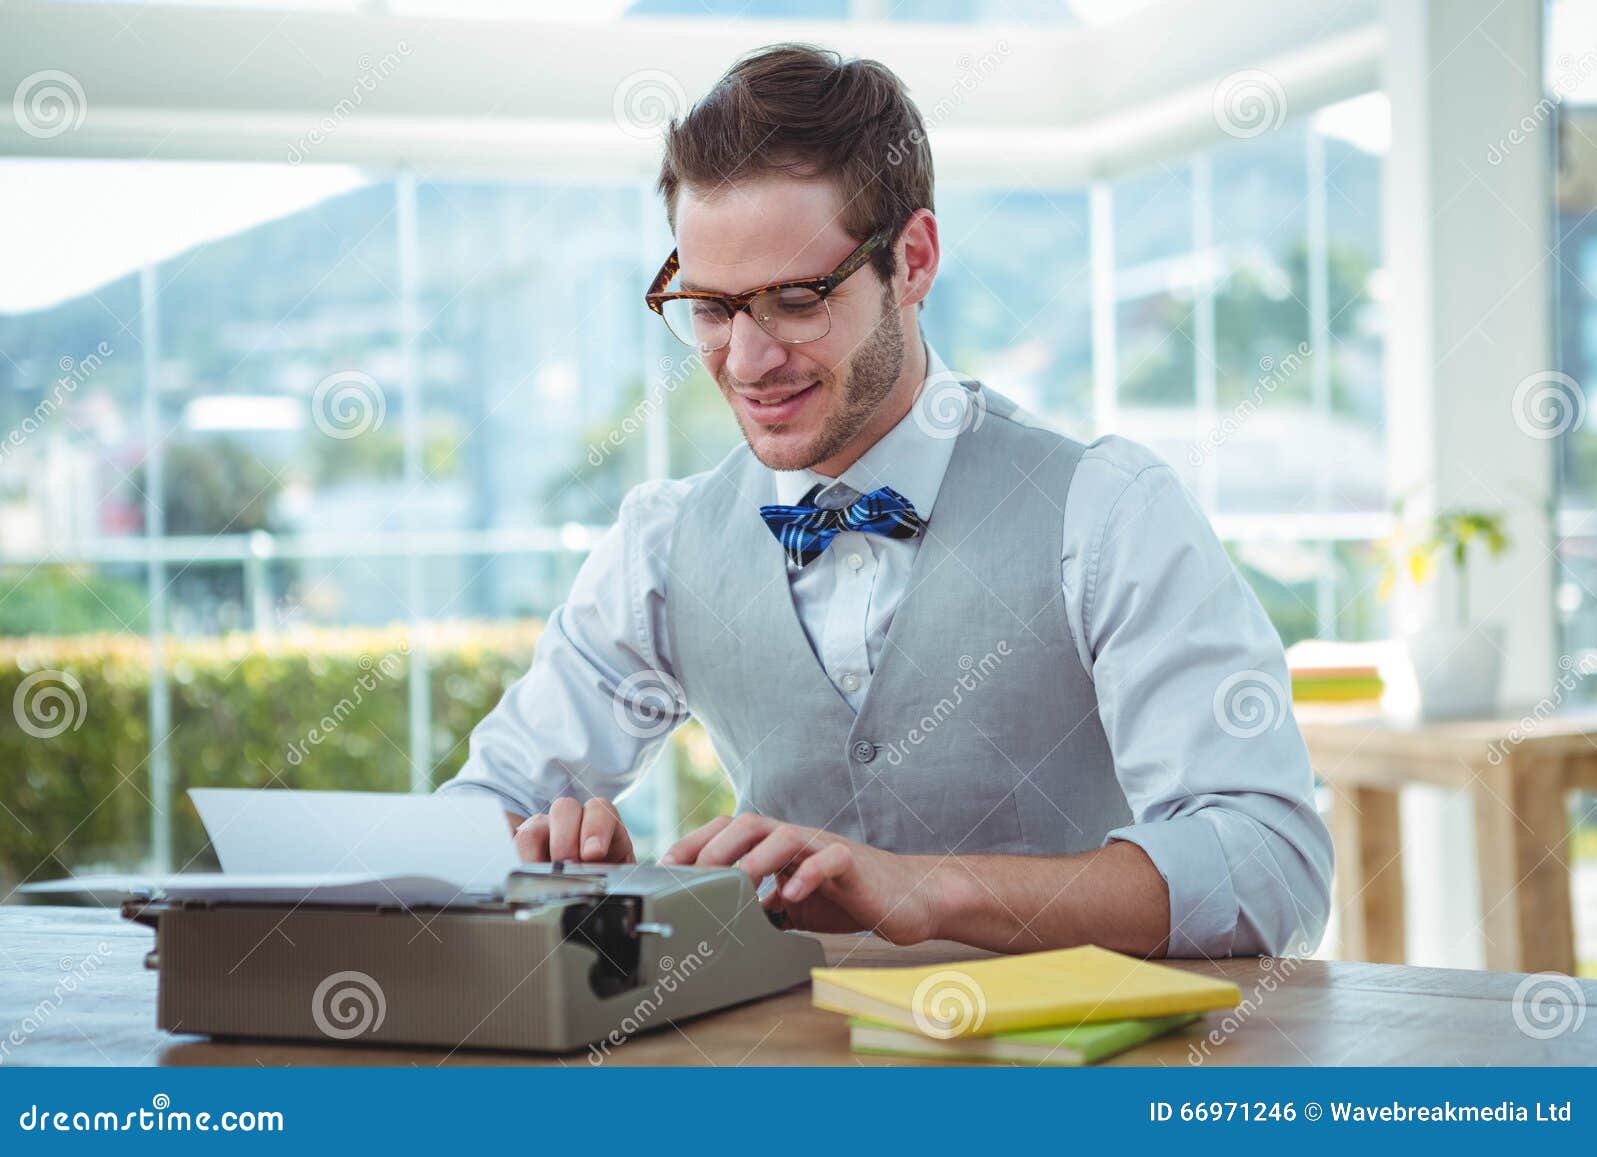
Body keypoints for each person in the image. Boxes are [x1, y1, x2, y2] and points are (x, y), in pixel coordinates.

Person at [439, 43, 1333, 958]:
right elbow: (470, 823)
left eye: (795, 300)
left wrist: (933, 888)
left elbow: (1272, 867)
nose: (746, 361)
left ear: (912, 260)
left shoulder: (1107, 514)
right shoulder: (662, 547)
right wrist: (561, 869)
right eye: (709, 307)